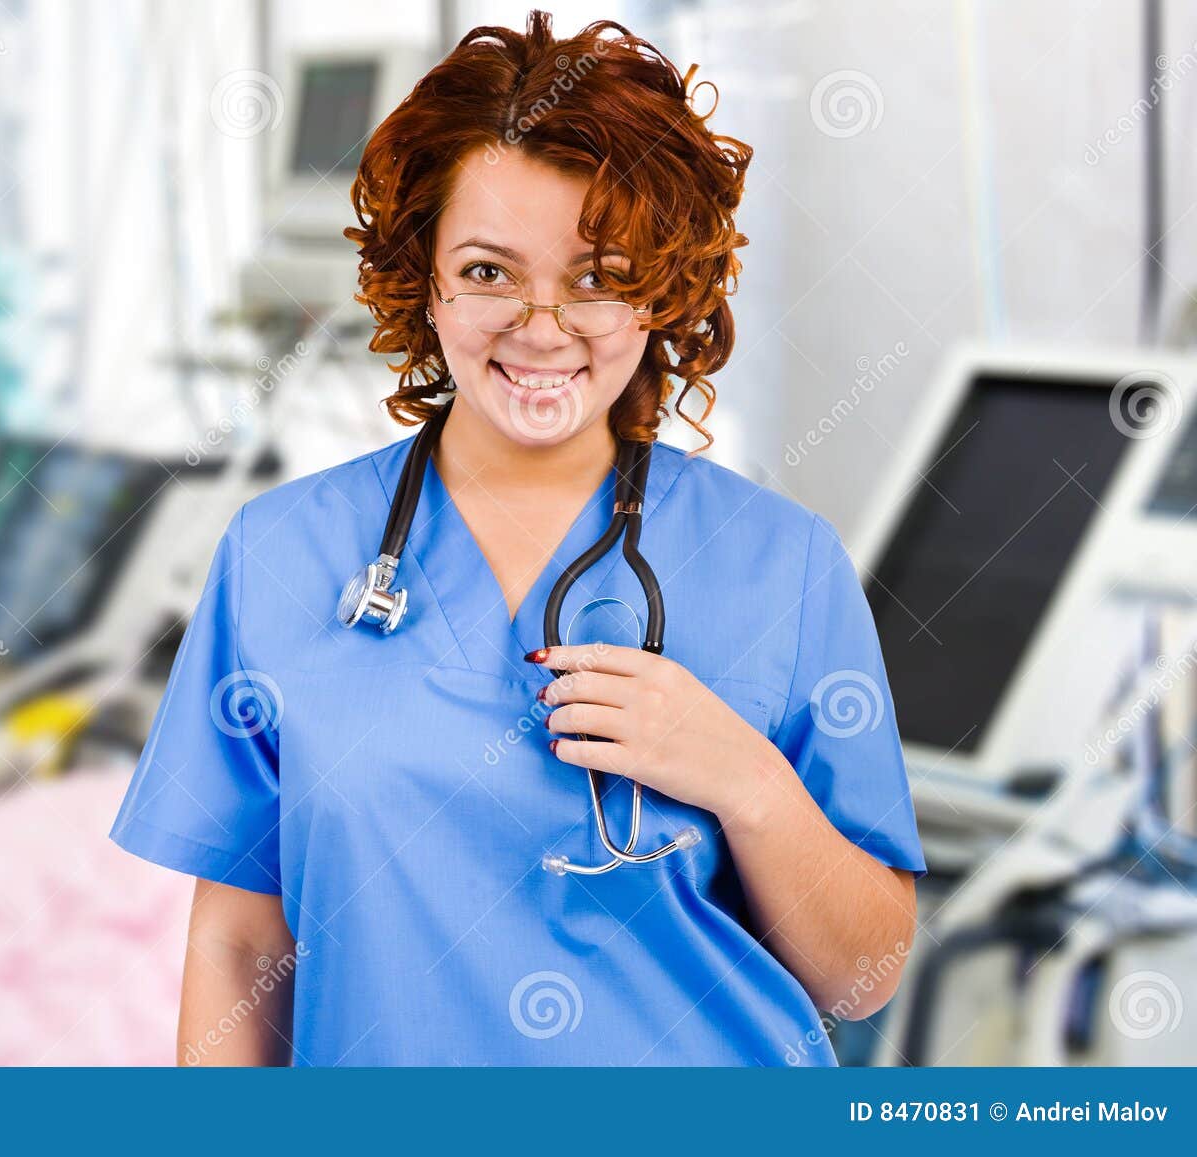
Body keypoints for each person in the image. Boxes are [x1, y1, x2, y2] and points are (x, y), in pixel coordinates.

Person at [109, 10, 924, 1066]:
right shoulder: (282, 554)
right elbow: (236, 941)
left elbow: (863, 978)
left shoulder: (784, 563)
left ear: (661, 285)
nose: (542, 326)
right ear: (424, 277)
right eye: (490, 271)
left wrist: (743, 777)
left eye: (596, 274)